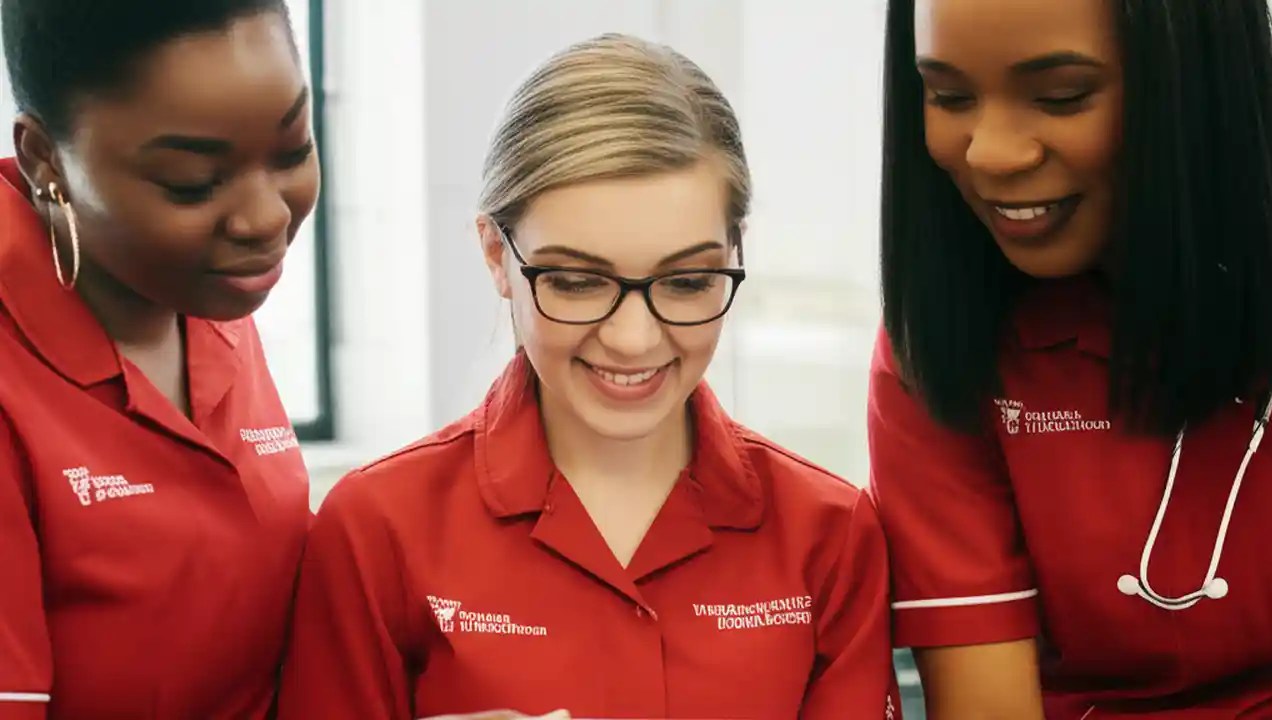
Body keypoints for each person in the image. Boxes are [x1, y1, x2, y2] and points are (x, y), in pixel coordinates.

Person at [278, 33, 900, 720]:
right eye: (575, 281)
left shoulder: (831, 535)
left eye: (689, 281)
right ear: (495, 254)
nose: (633, 339)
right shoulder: (379, 530)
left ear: (736, 249)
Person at [871, 0, 1272, 717]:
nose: (991, 152)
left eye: (1061, 97)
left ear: (1201, 85)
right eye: (948, 96)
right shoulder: (939, 348)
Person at [0, 1, 319, 717]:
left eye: (293, 149)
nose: (266, 217)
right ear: (46, 160)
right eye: (190, 183)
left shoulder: (203, 288)